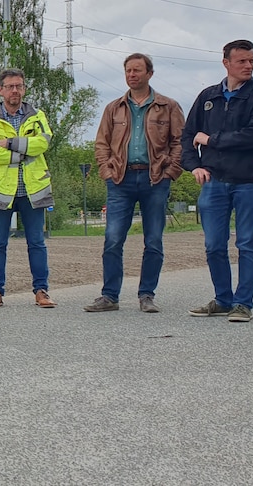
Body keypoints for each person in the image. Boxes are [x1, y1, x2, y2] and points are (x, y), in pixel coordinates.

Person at [181, 39, 253, 323]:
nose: (248, 66)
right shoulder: (208, 97)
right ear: (226, 63)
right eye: (242, 61)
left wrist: (212, 140)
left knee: (247, 243)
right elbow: (188, 135)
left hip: (250, 179)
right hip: (214, 181)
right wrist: (194, 165)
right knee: (213, 245)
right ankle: (223, 299)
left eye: (252, 61)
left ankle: (243, 303)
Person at [86, 54, 185, 314]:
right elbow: (102, 143)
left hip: (155, 179)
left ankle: (146, 295)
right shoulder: (113, 108)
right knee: (112, 238)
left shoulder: (169, 106)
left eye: (137, 70)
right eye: (128, 70)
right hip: (121, 179)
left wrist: (171, 172)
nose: (132, 74)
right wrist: (106, 170)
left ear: (149, 73)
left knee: (153, 240)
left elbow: (179, 142)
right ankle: (109, 296)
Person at [0, 68, 56, 309]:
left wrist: (10, 143)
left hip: (33, 190)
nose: (15, 91)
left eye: (19, 86)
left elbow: (43, 142)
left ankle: (41, 291)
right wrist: (23, 154)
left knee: (37, 243)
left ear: (24, 88)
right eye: (10, 86)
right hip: (0, 191)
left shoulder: (37, 116)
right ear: (0, 90)